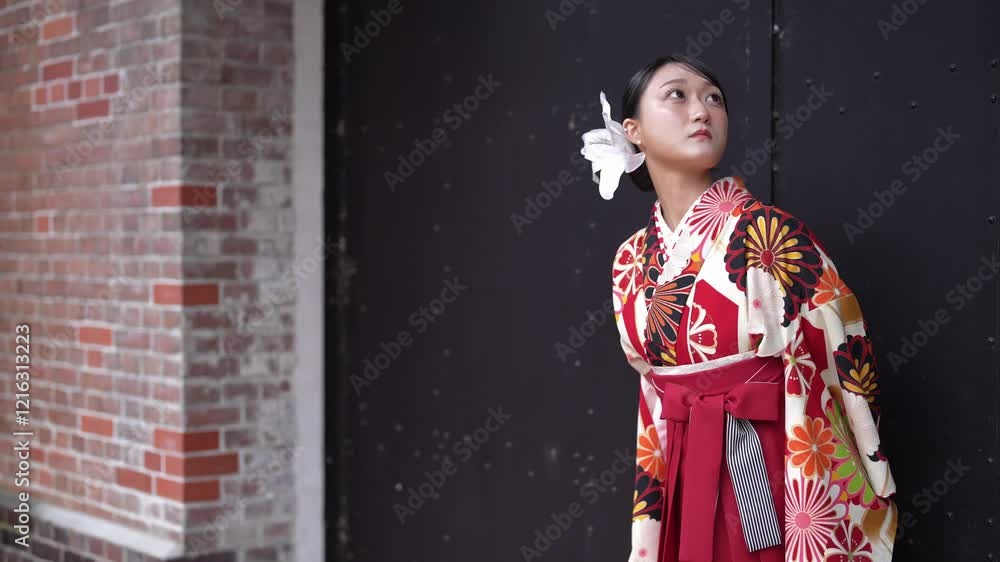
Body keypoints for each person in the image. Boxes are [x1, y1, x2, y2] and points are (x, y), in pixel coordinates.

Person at [580, 55, 898, 562]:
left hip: (774, 464)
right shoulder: (628, 260)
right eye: (677, 95)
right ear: (632, 131)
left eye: (714, 98)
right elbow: (653, 394)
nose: (702, 110)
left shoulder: (770, 236)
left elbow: (845, 356)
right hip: (681, 466)